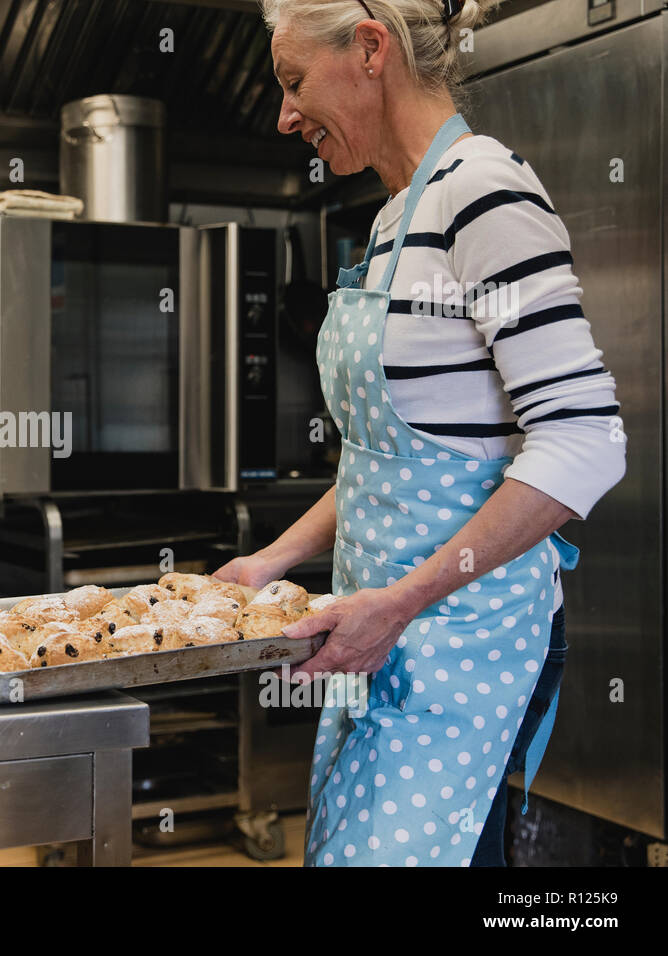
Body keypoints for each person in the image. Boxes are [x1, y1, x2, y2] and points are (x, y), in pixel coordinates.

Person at [215, 0, 625, 866]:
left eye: (293, 82)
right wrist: (273, 560)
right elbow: (394, 455)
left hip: (460, 645)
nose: (286, 115)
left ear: (370, 49)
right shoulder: (398, 213)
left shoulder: (486, 195)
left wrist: (402, 602)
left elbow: (584, 438)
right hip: (385, 637)